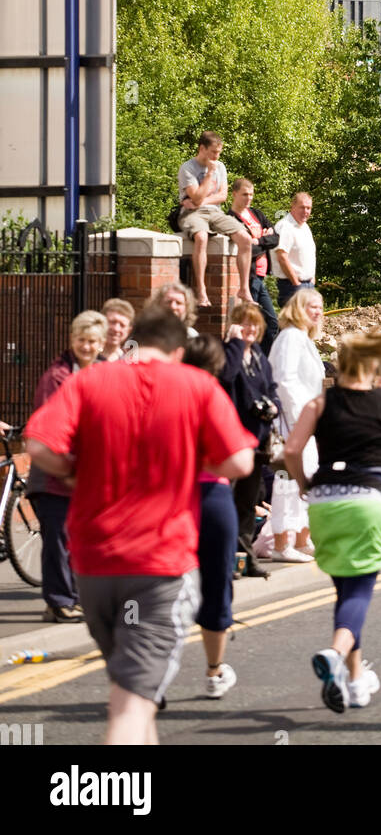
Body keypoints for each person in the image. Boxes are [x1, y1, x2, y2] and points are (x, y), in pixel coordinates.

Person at [24, 306, 255, 744]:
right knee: (129, 708)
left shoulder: (90, 380)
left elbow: (38, 443)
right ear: (178, 349)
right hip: (160, 566)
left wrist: (73, 474)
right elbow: (239, 460)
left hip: (93, 566)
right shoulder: (197, 385)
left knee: (133, 691)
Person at [284, 331, 381, 713]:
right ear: (374, 366)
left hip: (325, 501)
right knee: (360, 590)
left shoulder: (321, 401)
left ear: (341, 365)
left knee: (346, 590)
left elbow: (292, 450)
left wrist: (305, 484)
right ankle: (334, 653)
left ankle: (355, 681)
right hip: (368, 500)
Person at [28, 311, 107, 624]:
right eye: (81, 340)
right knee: (59, 541)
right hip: (55, 476)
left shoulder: (104, 373)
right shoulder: (56, 377)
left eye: (92, 341)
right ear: (72, 340)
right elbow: (49, 428)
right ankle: (60, 601)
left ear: (101, 343)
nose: (86, 346)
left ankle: (74, 597)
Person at [183, 334, 245, 697]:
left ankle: (152, 677)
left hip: (170, 498)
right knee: (217, 582)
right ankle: (213, 672)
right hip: (211, 496)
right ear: (218, 366)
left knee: (164, 587)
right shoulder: (214, 397)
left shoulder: (160, 399)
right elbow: (238, 461)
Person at [218, 301, 281, 576]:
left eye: (254, 323)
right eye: (244, 323)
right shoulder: (228, 353)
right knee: (229, 503)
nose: (250, 328)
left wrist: (274, 404)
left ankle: (244, 561)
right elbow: (226, 377)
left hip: (257, 441)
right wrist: (233, 344)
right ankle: (225, 561)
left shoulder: (258, 356)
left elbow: (271, 386)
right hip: (233, 442)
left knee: (246, 504)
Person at [268, 287, 326, 560]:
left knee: (305, 479)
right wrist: (301, 419)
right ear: (297, 308)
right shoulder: (290, 337)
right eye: (311, 306)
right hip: (293, 421)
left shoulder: (304, 338)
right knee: (287, 483)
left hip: (306, 421)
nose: (317, 311)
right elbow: (284, 381)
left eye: (319, 306)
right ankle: (281, 544)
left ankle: (303, 539)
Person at [177, 130, 253, 307]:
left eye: (219, 153)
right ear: (202, 148)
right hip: (191, 214)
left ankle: (244, 289)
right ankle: (201, 291)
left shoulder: (221, 166)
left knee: (245, 239)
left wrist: (199, 201)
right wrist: (209, 175)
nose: (216, 156)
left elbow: (223, 196)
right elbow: (194, 197)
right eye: (213, 152)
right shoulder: (187, 168)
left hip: (214, 212)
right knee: (201, 237)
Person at [229, 178, 279, 353]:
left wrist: (258, 240)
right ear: (234, 194)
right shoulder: (231, 219)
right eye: (244, 194)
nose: (248, 198)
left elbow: (275, 239)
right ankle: (246, 358)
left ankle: (261, 362)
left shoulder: (256, 214)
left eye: (251, 194)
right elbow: (246, 249)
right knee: (252, 323)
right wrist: (261, 241)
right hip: (248, 278)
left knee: (270, 324)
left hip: (261, 276)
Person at [271, 191, 316, 310]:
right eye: (302, 207)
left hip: (307, 284)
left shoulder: (304, 227)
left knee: (305, 325)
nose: (306, 211)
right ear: (293, 206)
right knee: (293, 325)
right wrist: (296, 283)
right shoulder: (286, 226)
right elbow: (281, 257)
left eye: (308, 208)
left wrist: (312, 279)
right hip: (291, 286)